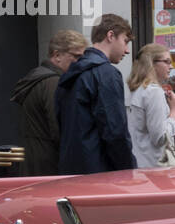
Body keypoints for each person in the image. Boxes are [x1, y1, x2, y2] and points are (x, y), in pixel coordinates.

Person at [56, 13, 135, 174]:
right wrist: (128, 170)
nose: (127, 50)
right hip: (100, 173)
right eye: (125, 41)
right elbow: (115, 132)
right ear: (110, 35)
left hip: (71, 171)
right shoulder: (106, 74)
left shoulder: (69, 75)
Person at [11, 29, 88, 177]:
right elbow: (59, 129)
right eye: (76, 56)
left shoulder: (38, 78)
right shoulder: (53, 83)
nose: (81, 62)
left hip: (34, 161)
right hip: (49, 166)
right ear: (57, 55)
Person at [126, 44, 175, 168]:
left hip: (139, 164)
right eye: (167, 62)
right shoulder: (153, 92)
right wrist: (174, 111)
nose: (171, 66)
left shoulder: (137, 90)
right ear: (151, 63)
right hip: (155, 168)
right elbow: (160, 138)